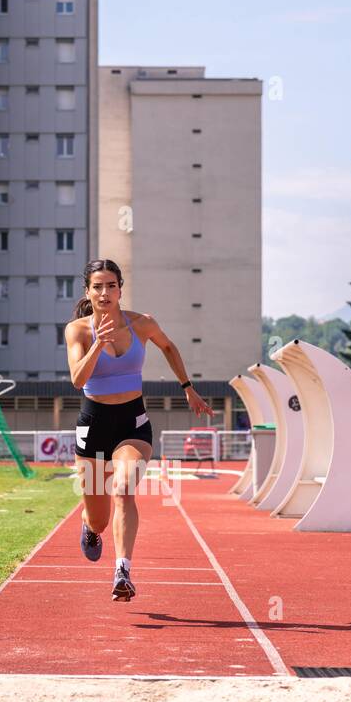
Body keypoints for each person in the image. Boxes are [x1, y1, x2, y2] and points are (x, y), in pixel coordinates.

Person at [65, 258, 213, 602]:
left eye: (111, 286)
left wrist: (187, 386)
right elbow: (77, 380)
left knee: (123, 487)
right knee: (99, 519)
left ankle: (123, 570)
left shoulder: (142, 324)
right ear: (88, 291)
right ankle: (90, 526)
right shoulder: (79, 331)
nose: (105, 292)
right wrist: (98, 344)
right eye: (98, 286)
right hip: (93, 424)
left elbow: (169, 346)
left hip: (132, 423)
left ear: (120, 290)